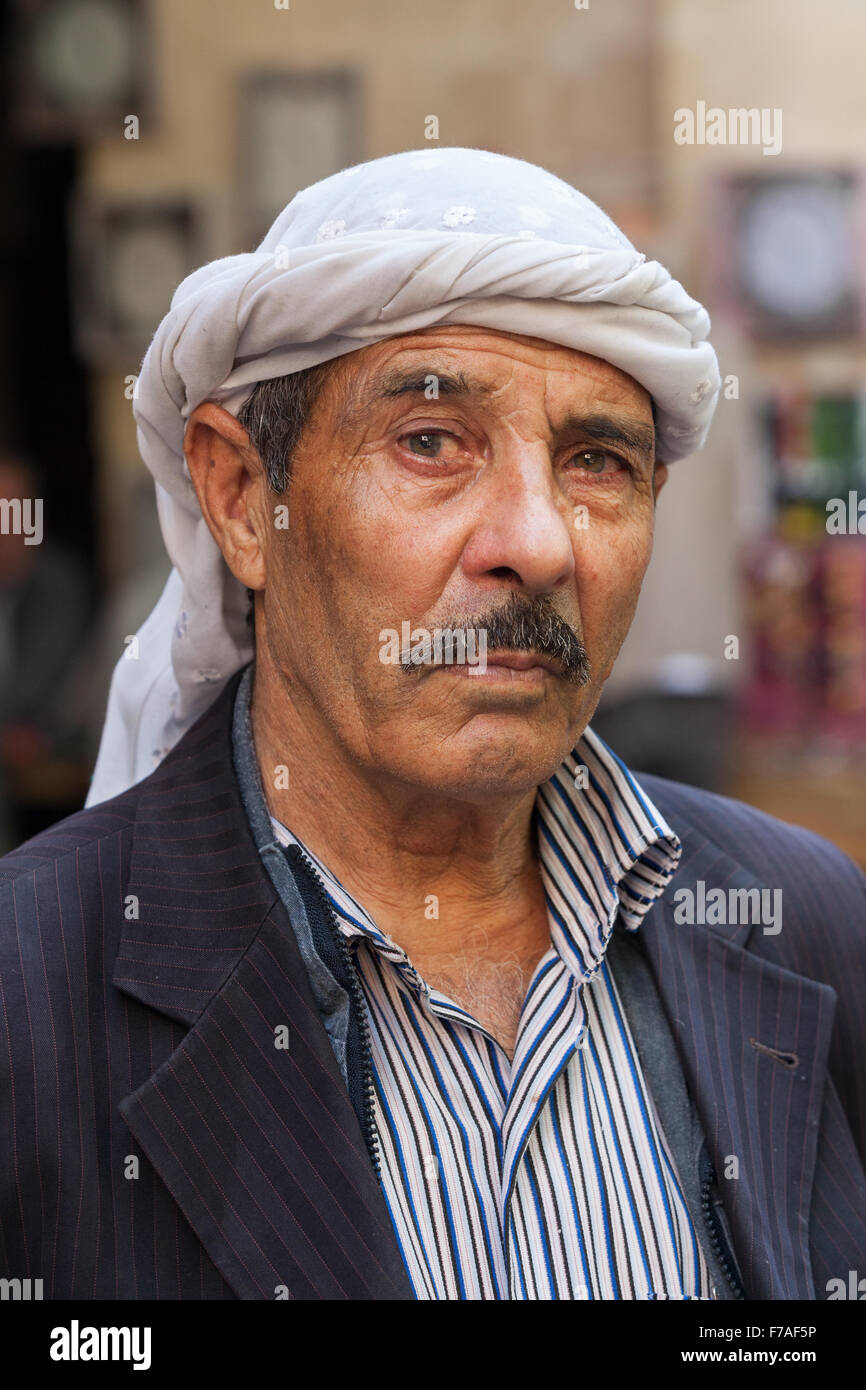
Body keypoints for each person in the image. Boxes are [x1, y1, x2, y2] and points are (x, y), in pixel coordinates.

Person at [1, 148, 864, 1302]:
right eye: (429, 442)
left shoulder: (800, 921)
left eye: (596, 461)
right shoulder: (32, 998)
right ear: (242, 498)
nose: (540, 543)